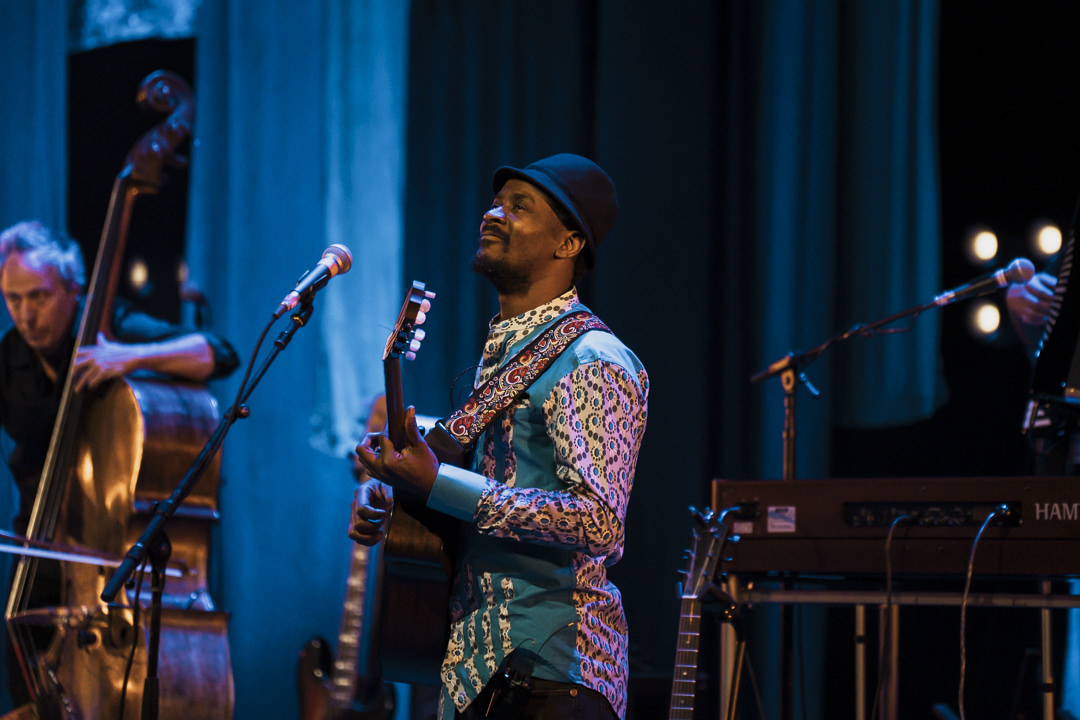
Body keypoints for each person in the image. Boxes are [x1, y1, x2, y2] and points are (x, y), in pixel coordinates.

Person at [350, 153, 649, 720]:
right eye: (495, 202)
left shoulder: (593, 359)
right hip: (475, 675)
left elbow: (599, 522)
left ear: (567, 245)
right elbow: (475, 485)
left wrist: (440, 484)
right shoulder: (507, 361)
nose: (493, 214)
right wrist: (392, 495)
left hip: (556, 675)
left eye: (519, 207)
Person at [0, 219, 239, 706]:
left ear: (74, 289)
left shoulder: (111, 324)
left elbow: (216, 353)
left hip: (113, 565)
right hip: (39, 552)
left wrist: (126, 358)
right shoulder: (9, 358)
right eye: (13, 299)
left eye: (39, 297)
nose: (26, 315)